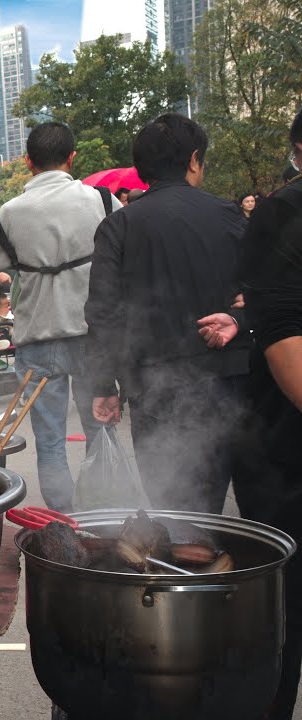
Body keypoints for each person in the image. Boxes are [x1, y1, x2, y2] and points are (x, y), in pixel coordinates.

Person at [86, 113, 250, 514]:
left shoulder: (118, 226)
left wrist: (103, 384)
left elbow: (102, 311)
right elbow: (258, 293)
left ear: (141, 170)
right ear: (195, 160)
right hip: (231, 379)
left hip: (154, 386)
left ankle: (185, 570)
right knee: (223, 507)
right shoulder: (231, 216)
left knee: (174, 507)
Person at [0, 121, 115, 512]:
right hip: (93, 336)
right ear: (72, 158)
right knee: (99, 432)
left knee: (51, 442)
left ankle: (65, 523)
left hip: (38, 337)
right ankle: (102, 517)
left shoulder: (11, 212)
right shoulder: (102, 201)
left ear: (28, 162)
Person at [217, 107, 302, 720]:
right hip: (287, 450)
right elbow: (286, 326)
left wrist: (248, 318)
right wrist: (252, 320)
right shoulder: (284, 213)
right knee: (286, 610)